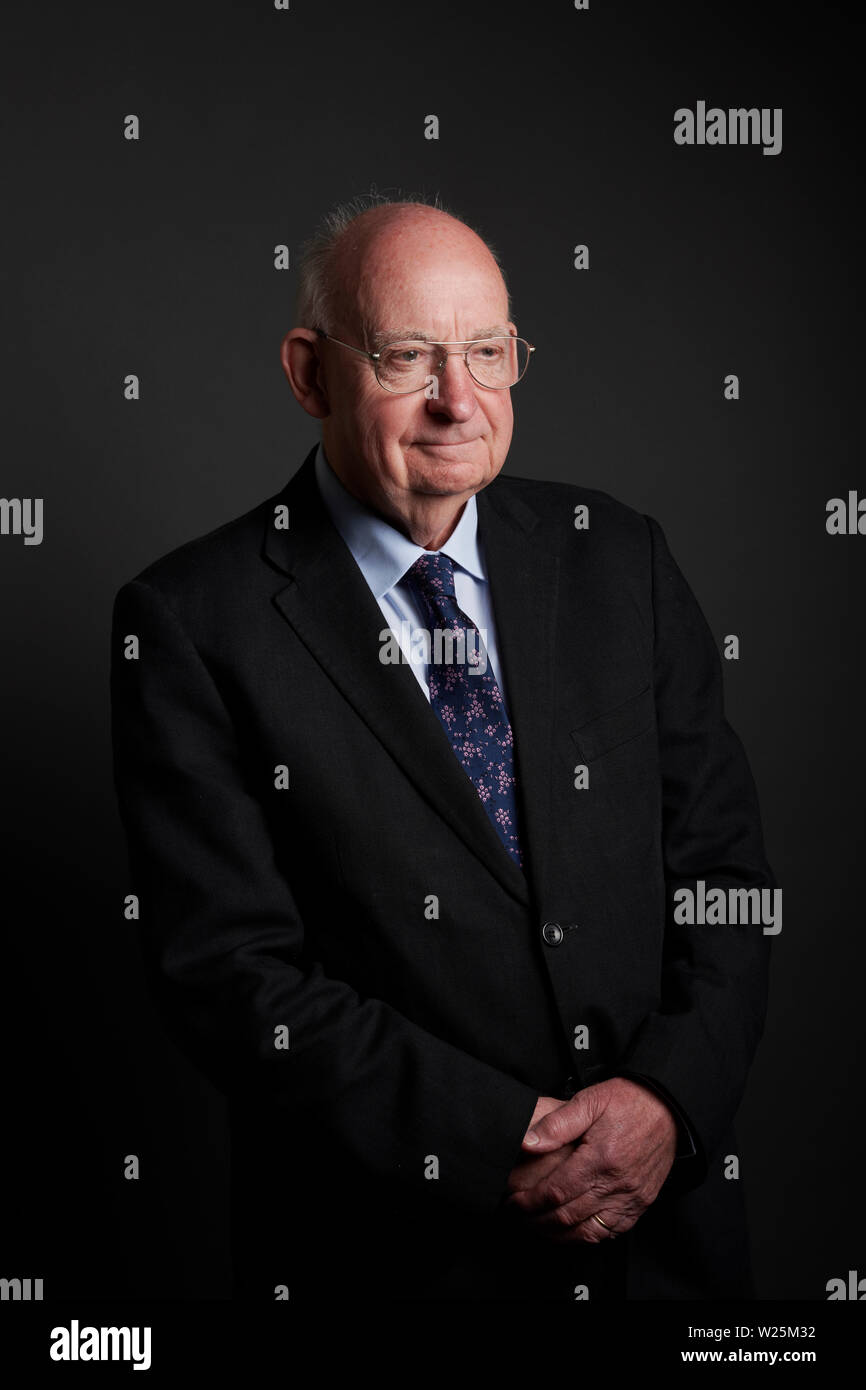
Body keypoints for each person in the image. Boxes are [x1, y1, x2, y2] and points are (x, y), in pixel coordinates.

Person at [110, 191, 775, 1301]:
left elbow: (726, 882)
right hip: (391, 1266)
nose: (456, 399)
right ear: (310, 372)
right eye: (407, 355)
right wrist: (501, 1141)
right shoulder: (191, 621)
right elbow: (230, 978)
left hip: (668, 1254)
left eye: (486, 351)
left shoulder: (615, 558)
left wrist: (664, 1102)